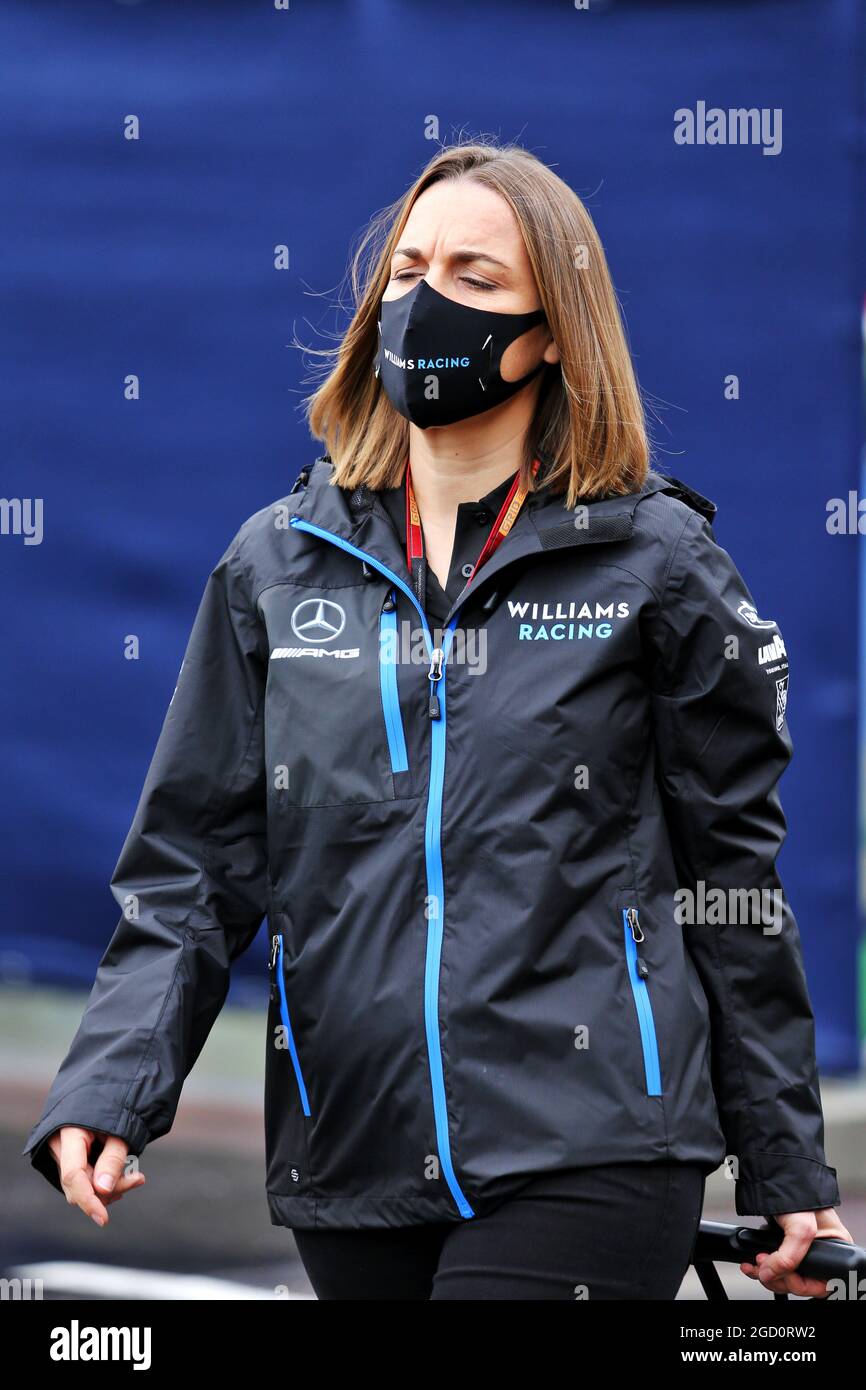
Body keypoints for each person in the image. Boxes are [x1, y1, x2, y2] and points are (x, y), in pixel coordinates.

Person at [23, 140, 851, 1300]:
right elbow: (190, 867)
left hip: (593, 1143)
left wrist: (781, 1160)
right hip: (349, 1147)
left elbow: (731, 880)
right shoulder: (275, 562)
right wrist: (112, 1087)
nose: (423, 303)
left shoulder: (657, 561)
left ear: (554, 328)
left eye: (473, 276)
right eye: (406, 270)